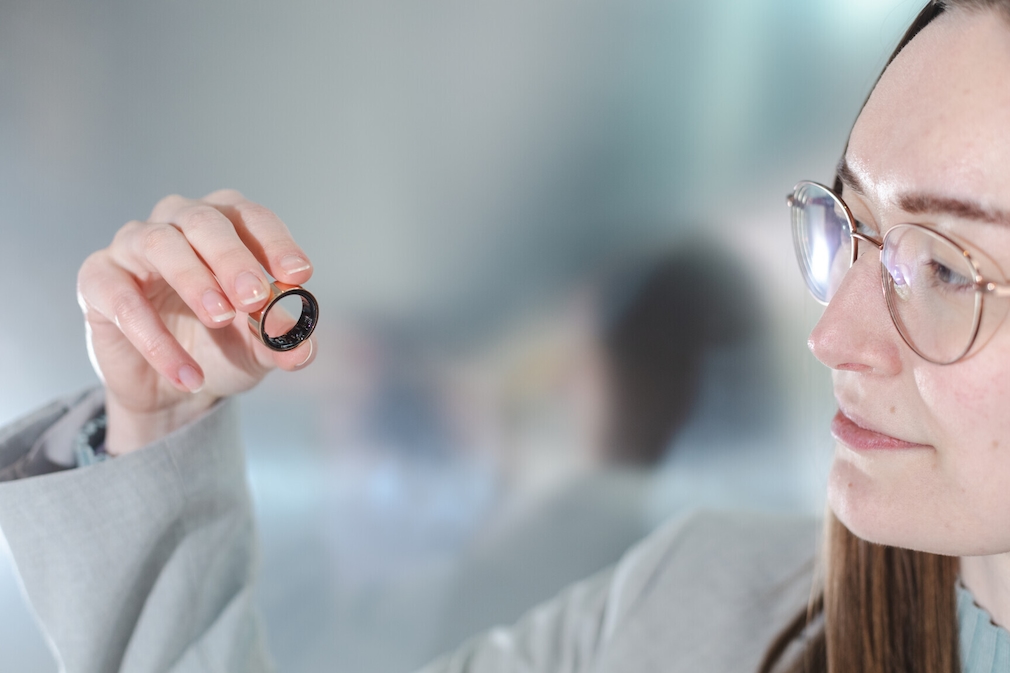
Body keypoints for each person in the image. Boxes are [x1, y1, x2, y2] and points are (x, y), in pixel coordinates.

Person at [0, 0, 1008, 671]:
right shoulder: (698, 610)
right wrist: (161, 424)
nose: (832, 335)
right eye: (852, 228)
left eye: (945, 268)